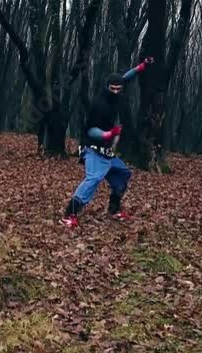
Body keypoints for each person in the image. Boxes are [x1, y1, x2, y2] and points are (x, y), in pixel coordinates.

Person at [60, 57, 154, 228]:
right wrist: (109, 133)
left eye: (119, 89)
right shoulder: (99, 105)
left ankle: (114, 209)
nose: (116, 92)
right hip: (93, 148)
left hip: (107, 152)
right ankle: (69, 213)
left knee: (123, 174)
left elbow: (126, 76)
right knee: (94, 178)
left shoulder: (118, 89)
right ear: (107, 87)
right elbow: (91, 131)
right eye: (113, 89)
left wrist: (142, 66)